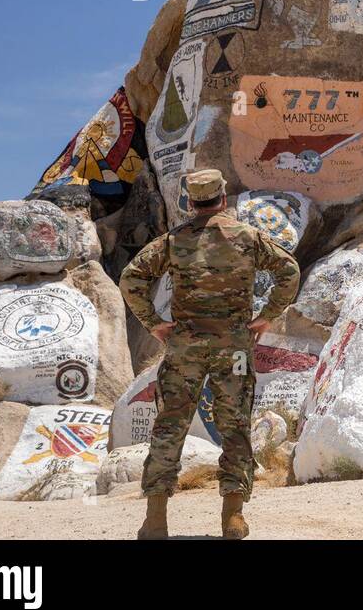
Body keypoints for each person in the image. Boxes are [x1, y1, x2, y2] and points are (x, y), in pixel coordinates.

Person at [119, 168, 299, 539]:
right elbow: (288, 269)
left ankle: (155, 521)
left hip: (185, 348)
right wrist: (266, 317)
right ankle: (232, 518)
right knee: (234, 428)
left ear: (190, 202)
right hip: (232, 348)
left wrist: (154, 323)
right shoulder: (247, 237)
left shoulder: (174, 241)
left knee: (170, 428)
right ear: (222, 197)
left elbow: (131, 278)